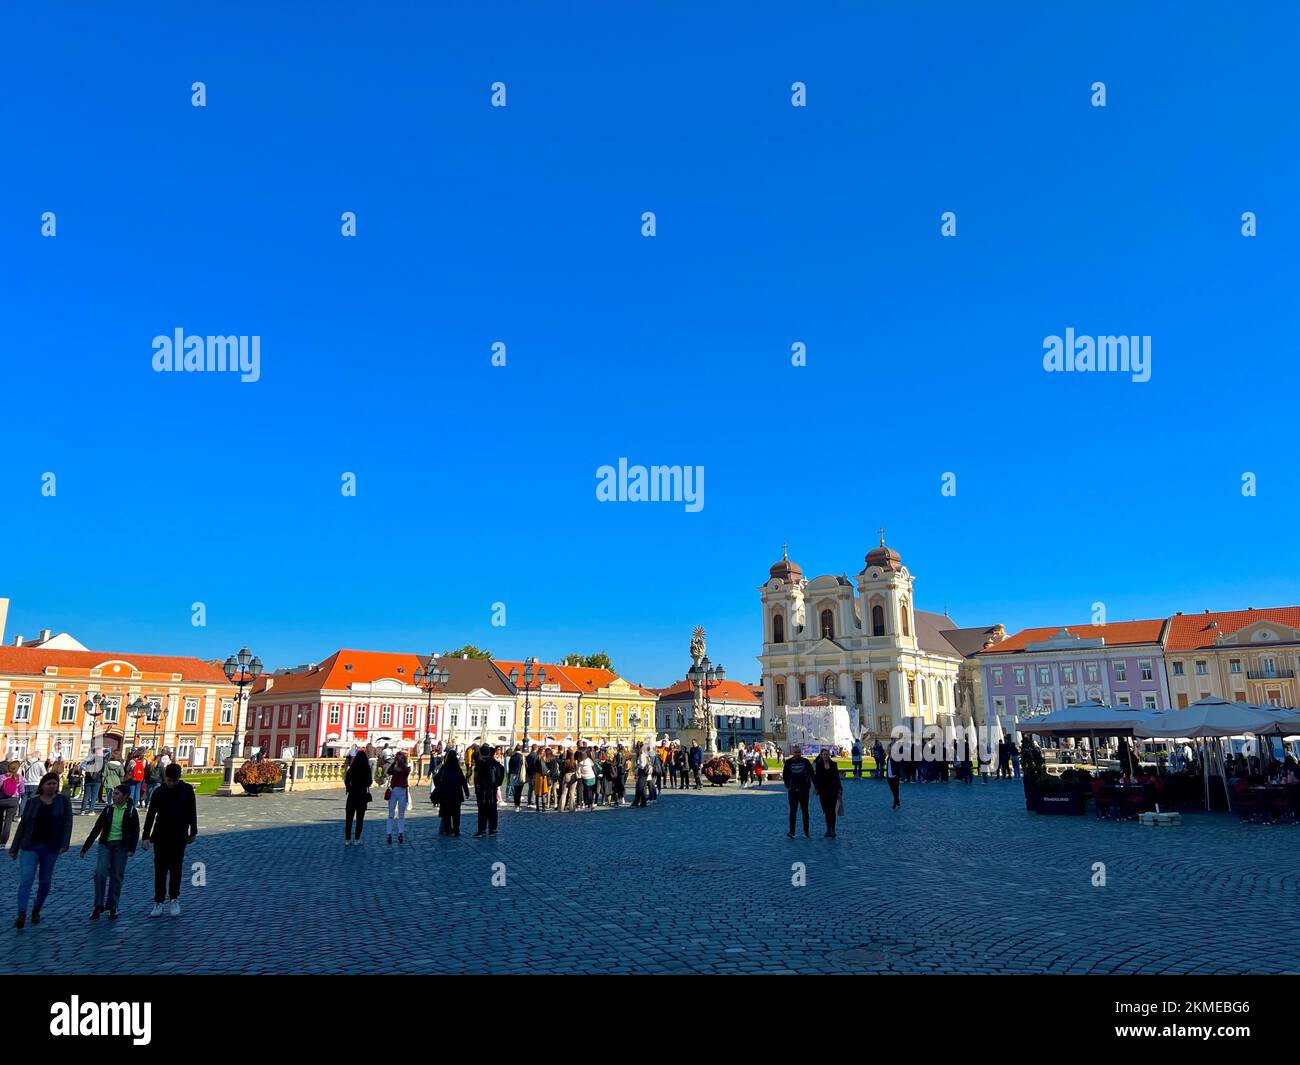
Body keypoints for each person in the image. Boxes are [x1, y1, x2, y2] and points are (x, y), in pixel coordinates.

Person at [9, 772, 73, 927]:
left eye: (54, 784)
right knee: (26, 880)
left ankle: (36, 909)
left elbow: (68, 823)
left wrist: (64, 843)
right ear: (42, 785)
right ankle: (21, 913)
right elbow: (23, 825)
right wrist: (14, 847)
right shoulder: (33, 802)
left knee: (45, 882)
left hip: (51, 847)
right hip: (30, 846)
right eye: (49, 784)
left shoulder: (63, 801)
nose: (52, 787)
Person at [141, 763, 198, 917]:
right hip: (160, 834)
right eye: (169, 780)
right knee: (160, 868)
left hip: (179, 834)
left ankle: (174, 898)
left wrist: (193, 831)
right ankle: (158, 901)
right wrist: (146, 835)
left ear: (179, 778)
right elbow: (151, 814)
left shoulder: (187, 790)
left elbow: (192, 811)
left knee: (176, 868)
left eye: (174, 780)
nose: (171, 783)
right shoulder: (159, 791)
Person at [79, 783, 139, 919]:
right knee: (99, 874)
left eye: (117, 794)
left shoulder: (130, 810)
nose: (114, 796)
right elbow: (97, 828)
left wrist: (132, 849)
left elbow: (135, 832)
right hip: (105, 844)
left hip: (121, 846)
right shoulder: (108, 809)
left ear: (125, 796)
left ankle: (113, 906)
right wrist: (85, 848)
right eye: (114, 793)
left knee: (116, 876)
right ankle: (98, 905)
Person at [433, 749, 469, 836]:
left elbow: (435, 778)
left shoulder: (444, 768)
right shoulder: (458, 769)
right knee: (456, 813)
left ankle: (447, 829)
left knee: (446, 813)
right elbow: (463, 782)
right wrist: (467, 792)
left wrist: (439, 786)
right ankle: (456, 829)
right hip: (456, 794)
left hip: (445, 794)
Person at [782, 745, 815, 839]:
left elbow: (812, 774)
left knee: (805, 811)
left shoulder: (806, 762)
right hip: (793, 790)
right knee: (793, 811)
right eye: (795, 752)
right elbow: (785, 775)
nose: (797, 754)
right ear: (793, 753)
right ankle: (792, 831)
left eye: (798, 752)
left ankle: (806, 830)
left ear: (801, 752)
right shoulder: (788, 762)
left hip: (804, 790)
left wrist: (815, 786)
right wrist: (788, 785)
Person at [344, 740, 372, 845]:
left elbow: (346, 780)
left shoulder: (351, 769)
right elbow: (369, 782)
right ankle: (357, 839)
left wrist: (349, 788)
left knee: (349, 819)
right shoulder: (366, 769)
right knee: (360, 819)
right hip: (362, 795)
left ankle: (347, 839)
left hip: (352, 796)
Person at [473, 744, 505, 836]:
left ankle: (482, 830)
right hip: (492, 788)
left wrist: (476, 787)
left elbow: (475, 777)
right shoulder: (494, 762)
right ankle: (493, 829)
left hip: (482, 789)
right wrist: (498, 783)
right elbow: (502, 770)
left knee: (482, 810)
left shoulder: (480, 763)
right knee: (492, 809)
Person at [812, 748, 843, 837]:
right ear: (821, 755)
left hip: (833, 790)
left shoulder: (833, 764)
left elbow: (837, 777)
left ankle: (833, 829)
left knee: (832, 810)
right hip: (823, 791)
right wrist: (816, 788)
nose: (826, 756)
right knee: (826, 811)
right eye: (824, 754)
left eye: (827, 754)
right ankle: (828, 828)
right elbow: (816, 777)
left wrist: (840, 789)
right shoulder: (818, 765)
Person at [386, 750, 412, 845]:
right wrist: (395, 762)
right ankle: (395, 833)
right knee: (397, 815)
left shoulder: (405, 769)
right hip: (399, 792)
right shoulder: (400, 769)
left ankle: (394, 833)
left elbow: (405, 771)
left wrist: (397, 762)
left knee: (394, 814)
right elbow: (388, 771)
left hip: (396, 791)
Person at [18, 752, 46, 817]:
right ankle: (31, 815)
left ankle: (20, 815)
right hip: (35, 783)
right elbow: (44, 774)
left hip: (26, 783)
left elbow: (19, 772)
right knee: (34, 800)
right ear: (36, 755)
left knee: (23, 800)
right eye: (40, 755)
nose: (40, 756)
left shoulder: (25, 763)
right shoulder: (40, 764)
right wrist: (39, 777)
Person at [507, 745, 526, 809]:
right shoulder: (522, 757)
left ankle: (516, 805)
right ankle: (518, 805)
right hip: (520, 774)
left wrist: (509, 777)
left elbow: (509, 767)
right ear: (521, 749)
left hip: (513, 775)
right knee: (519, 791)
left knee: (515, 791)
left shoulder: (512, 757)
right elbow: (526, 766)